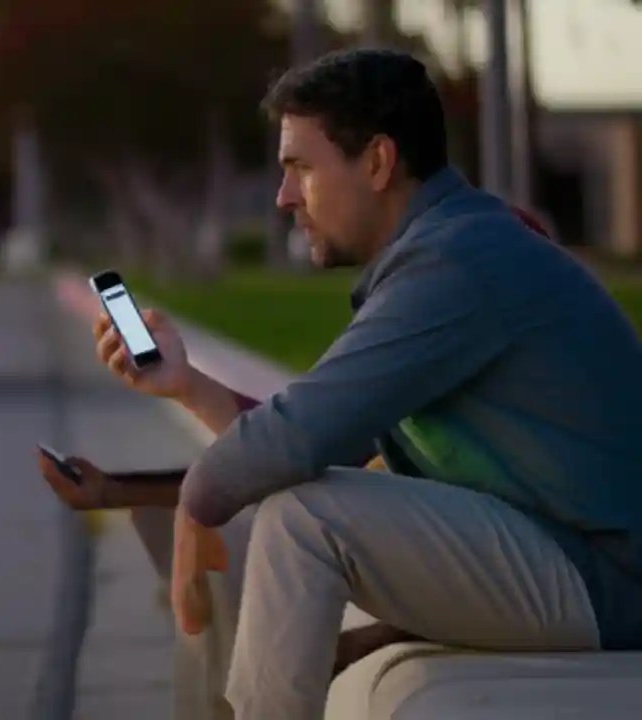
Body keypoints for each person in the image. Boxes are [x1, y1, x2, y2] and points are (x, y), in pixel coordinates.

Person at [36, 48, 642, 720]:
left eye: (300, 167)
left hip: (607, 579)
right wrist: (184, 385)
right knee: (268, 523)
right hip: (564, 558)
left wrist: (195, 508)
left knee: (302, 521)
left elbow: (293, 442)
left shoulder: (459, 263)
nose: (283, 196)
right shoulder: (445, 250)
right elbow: (319, 445)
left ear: (378, 163)